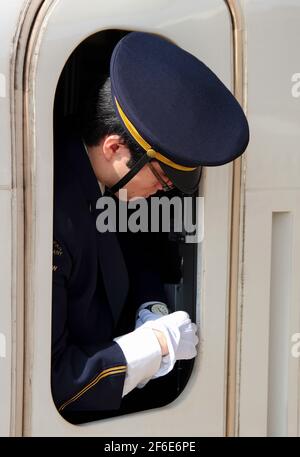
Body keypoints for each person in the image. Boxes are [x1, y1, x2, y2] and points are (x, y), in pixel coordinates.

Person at [51, 32, 249, 418]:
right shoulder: (55, 214)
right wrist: (154, 346)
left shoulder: (112, 182)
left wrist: (150, 305)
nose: (163, 190)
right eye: (161, 177)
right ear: (114, 148)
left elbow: (135, 247)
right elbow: (60, 384)